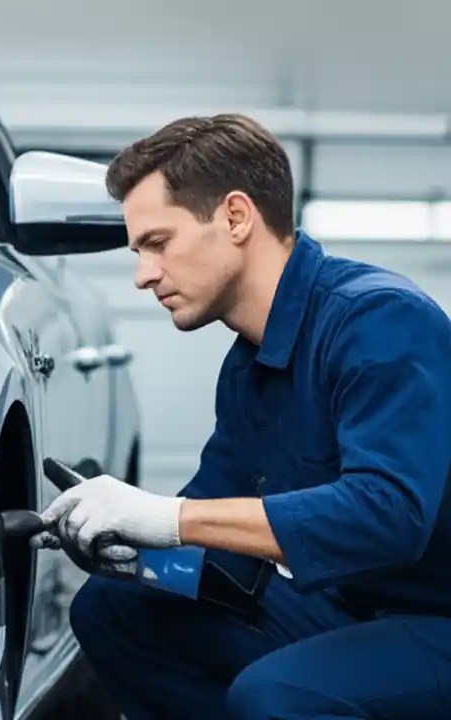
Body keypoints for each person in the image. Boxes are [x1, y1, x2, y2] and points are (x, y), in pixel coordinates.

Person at [33, 113, 451, 719]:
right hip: (352, 611)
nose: (143, 274)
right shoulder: (248, 366)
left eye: (157, 242)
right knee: (111, 608)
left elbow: (389, 514)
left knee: (275, 694)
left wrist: (169, 518)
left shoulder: (380, 321)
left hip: (436, 622)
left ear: (235, 217)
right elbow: (212, 521)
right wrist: (124, 539)